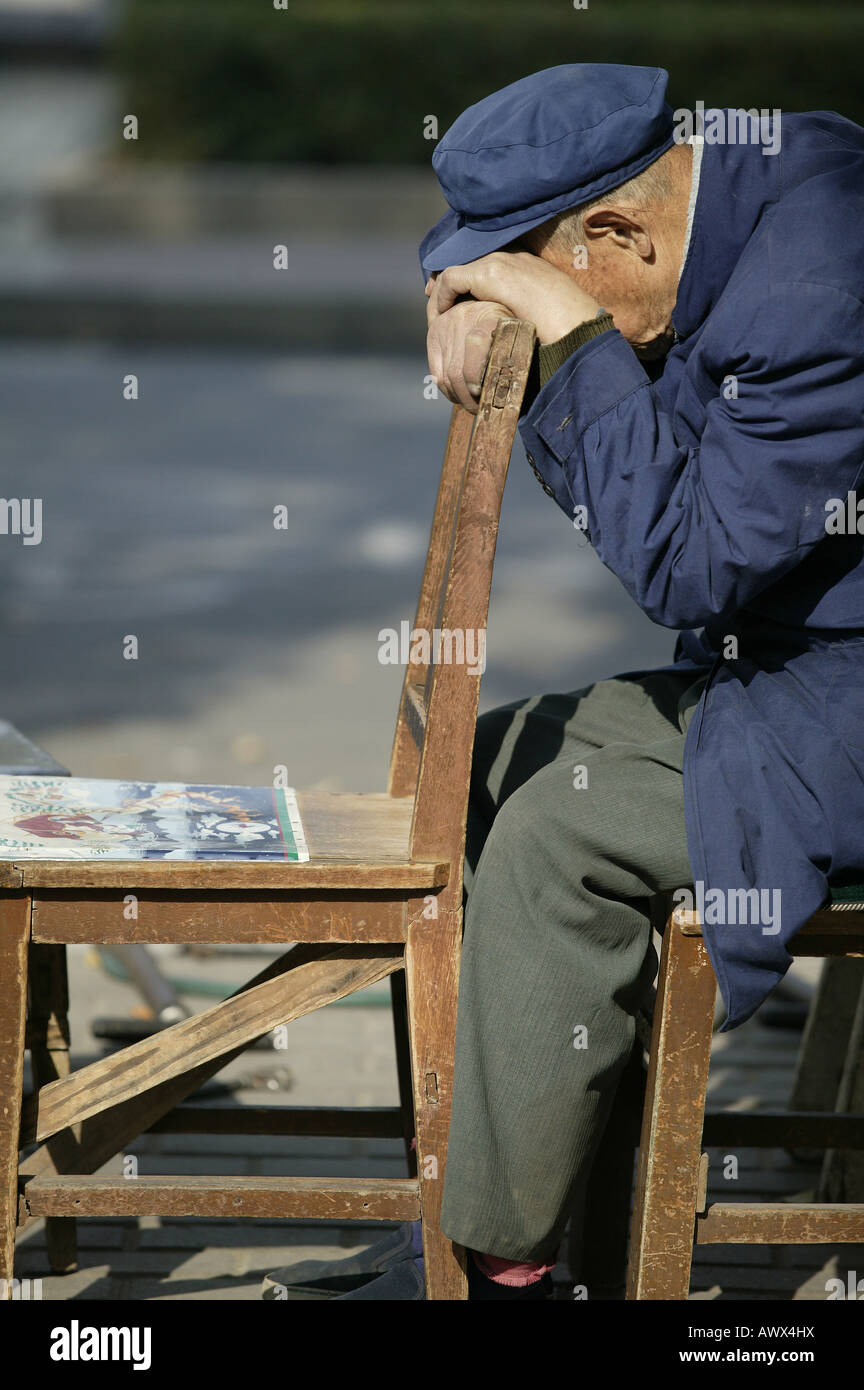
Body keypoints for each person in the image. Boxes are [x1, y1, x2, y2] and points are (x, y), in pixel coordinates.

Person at [265, 63, 864, 1300]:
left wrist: (570, 336)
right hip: (804, 670)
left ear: (616, 230)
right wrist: (492, 287)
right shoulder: (712, 194)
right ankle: (495, 1199)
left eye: (536, 274)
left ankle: (505, 1268)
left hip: (842, 696)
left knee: (561, 831)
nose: (517, 306)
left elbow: (692, 566)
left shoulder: (822, 282)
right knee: (489, 764)